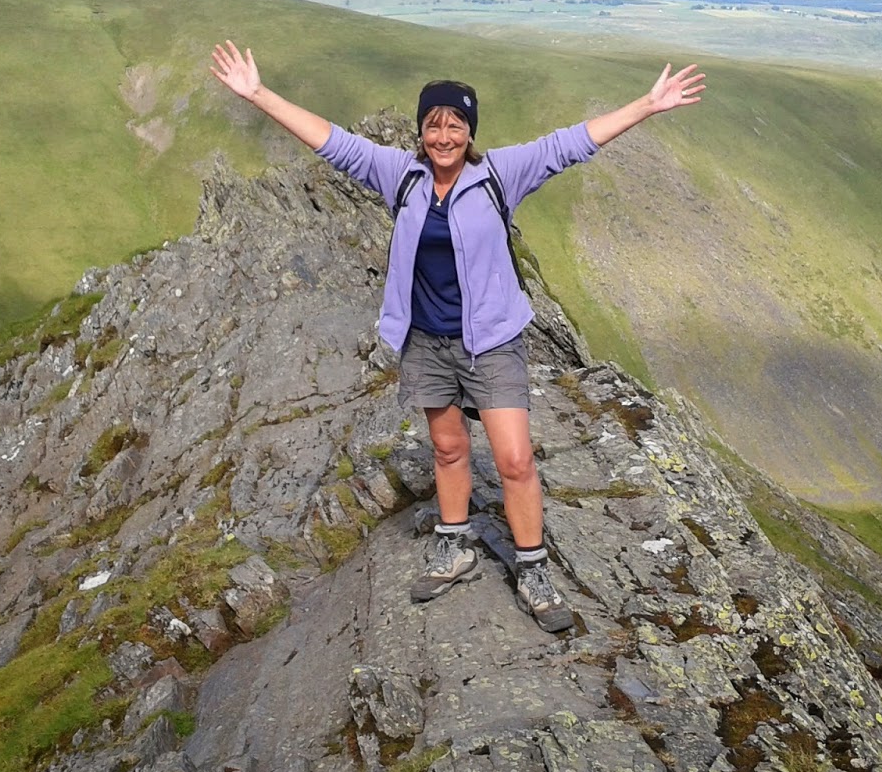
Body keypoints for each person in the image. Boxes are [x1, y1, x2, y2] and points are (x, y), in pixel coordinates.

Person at [210, 40, 705, 632]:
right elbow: (332, 141)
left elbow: (571, 143)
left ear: (470, 132)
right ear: (420, 131)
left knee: (516, 461)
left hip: (491, 343)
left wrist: (646, 106)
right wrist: (258, 94)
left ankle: (532, 567)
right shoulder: (401, 175)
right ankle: (456, 543)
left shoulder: (500, 175)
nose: (443, 137)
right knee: (447, 449)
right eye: (432, 125)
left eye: (455, 126)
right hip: (427, 340)